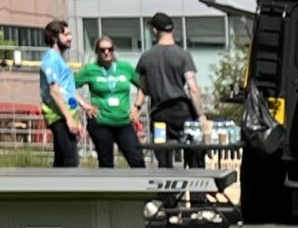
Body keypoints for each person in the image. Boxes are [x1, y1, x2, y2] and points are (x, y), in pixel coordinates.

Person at [136, 12, 207, 169]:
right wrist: (201, 115)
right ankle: (197, 191)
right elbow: (193, 87)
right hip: (182, 112)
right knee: (194, 152)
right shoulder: (183, 55)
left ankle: (168, 192)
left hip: (159, 114)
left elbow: (145, 88)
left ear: (154, 30)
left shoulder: (146, 58)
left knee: (164, 158)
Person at [76, 34, 146, 168]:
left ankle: (138, 188)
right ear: (97, 52)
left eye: (110, 49)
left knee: (137, 160)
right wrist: (84, 105)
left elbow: (142, 86)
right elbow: (68, 86)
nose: (107, 52)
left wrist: (137, 106)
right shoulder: (91, 69)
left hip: (123, 122)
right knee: (106, 161)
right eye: (102, 50)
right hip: (101, 122)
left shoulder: (125, 67)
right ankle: (107, 188)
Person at [37, 20, 86, 168]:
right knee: (70, 160)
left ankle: (54, 189)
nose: (70, 38)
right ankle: (68, 190)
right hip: (58, 115)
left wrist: (82, 106)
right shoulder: (51, 59)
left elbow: (68, 91)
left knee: (62, 159)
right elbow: (55, 91)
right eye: (65, 34)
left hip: (65, 114)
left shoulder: (60, 60)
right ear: (54, 37)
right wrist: (69, 119)